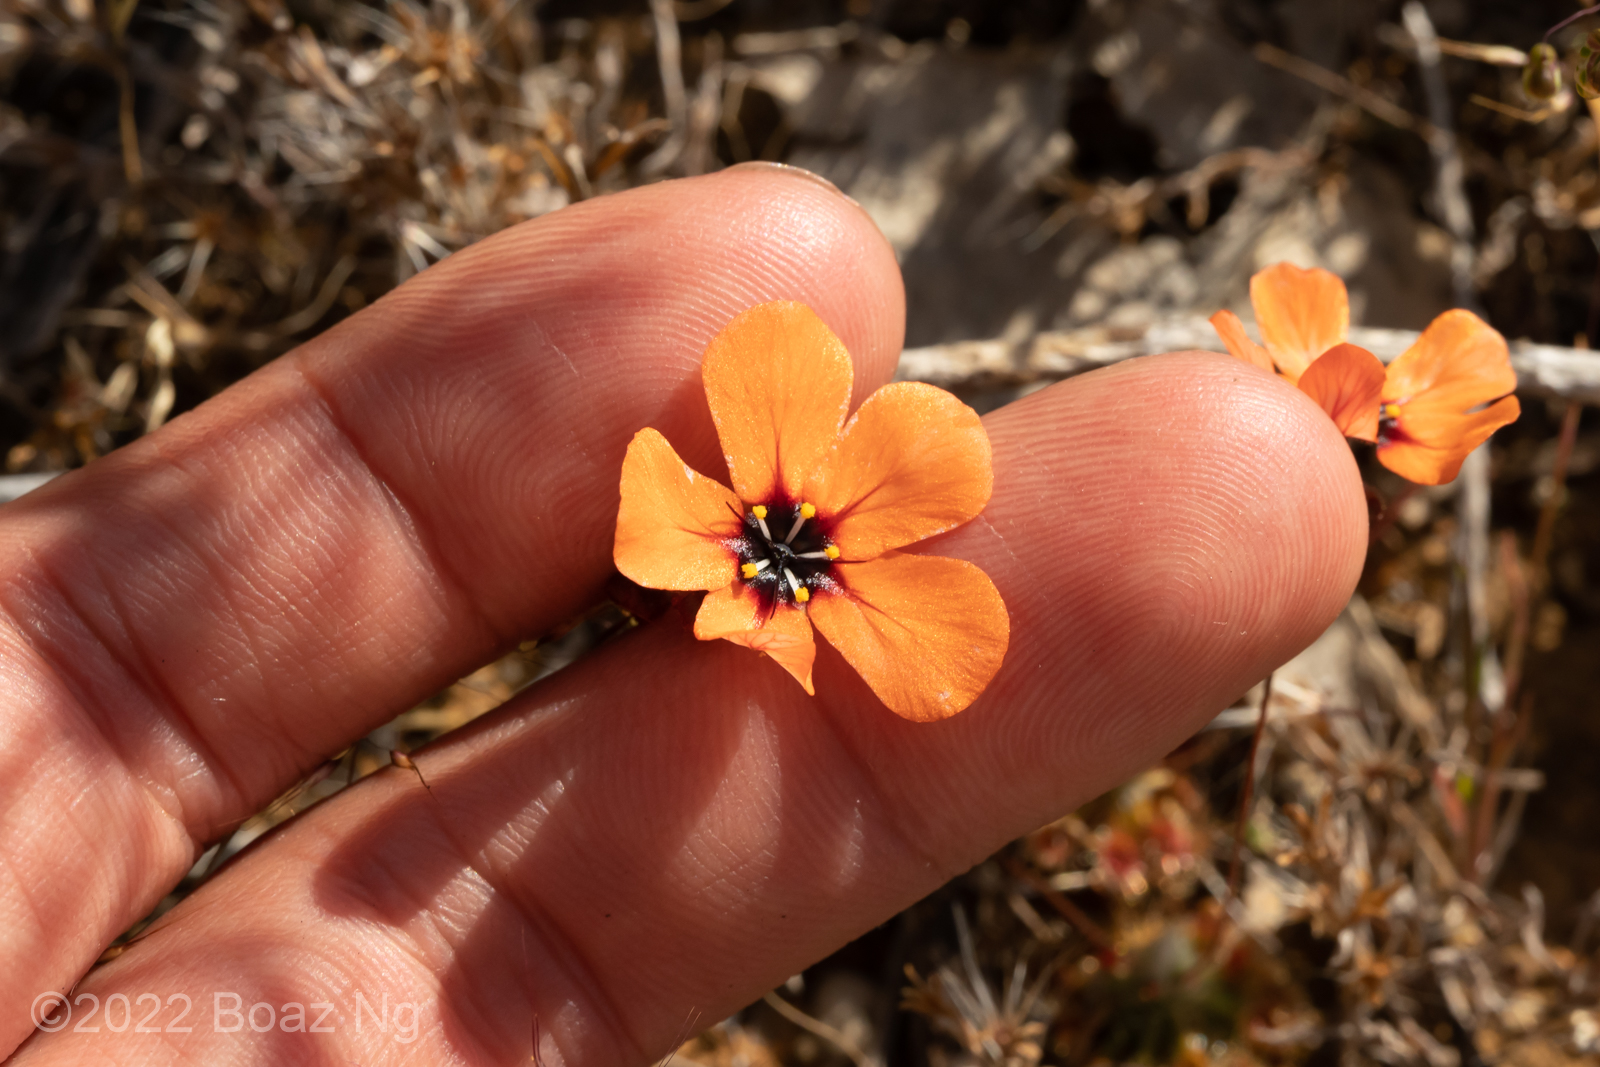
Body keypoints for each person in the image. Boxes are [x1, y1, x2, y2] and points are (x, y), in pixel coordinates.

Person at [0, 163, 1366, 1065]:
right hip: (711, 559)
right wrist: (733, 592)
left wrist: (763, 601)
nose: (778, 551)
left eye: (784, 553)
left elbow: (897, 559)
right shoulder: (708, 528)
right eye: (774, 551)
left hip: (794, 595)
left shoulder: (814, 566)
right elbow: (691, 545)